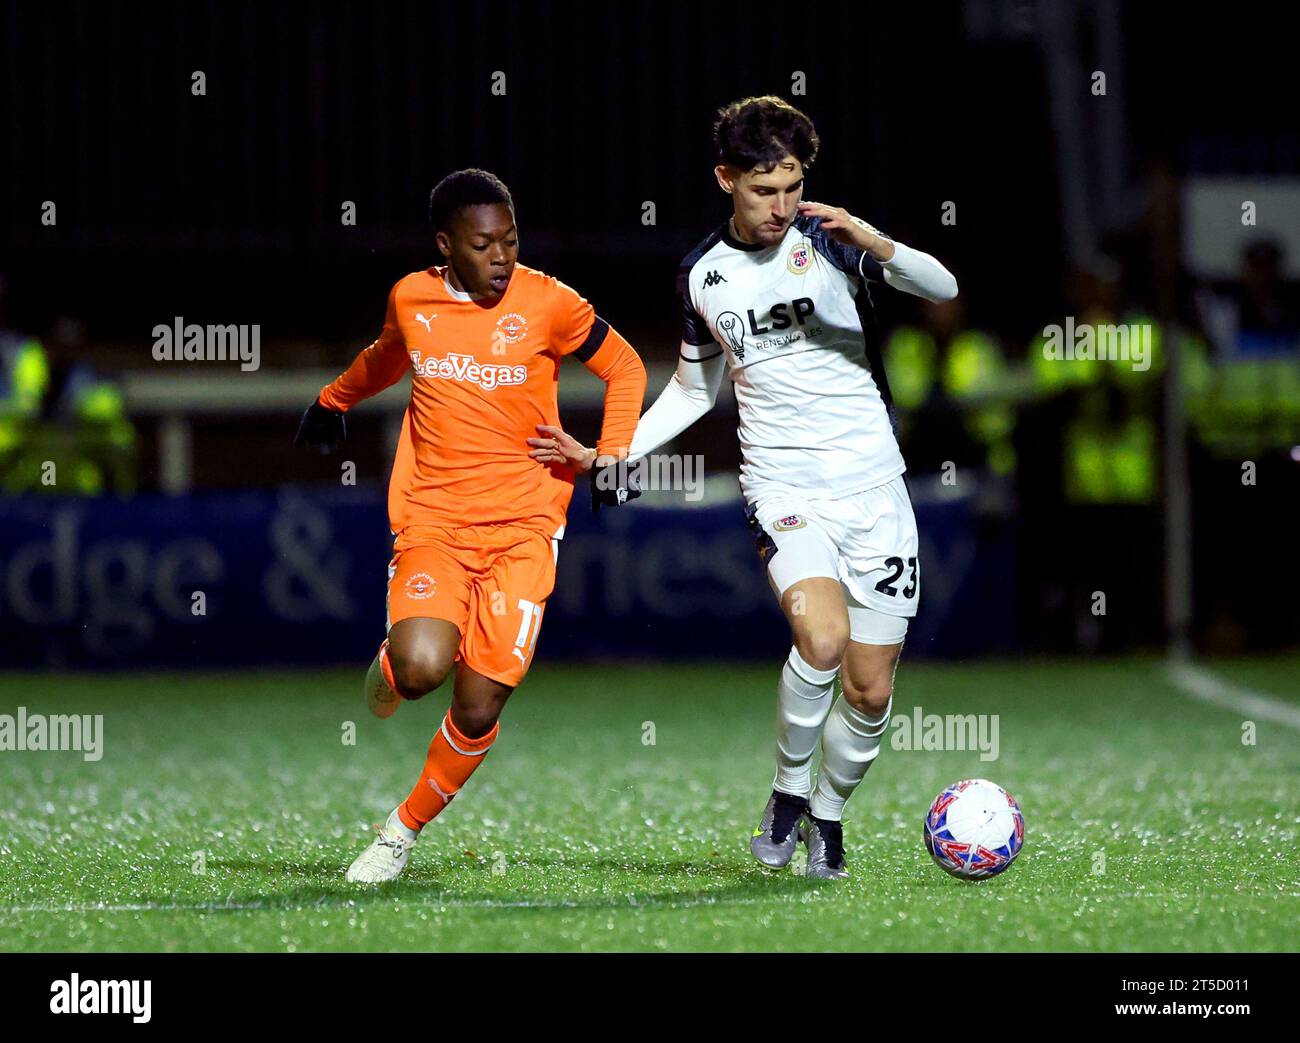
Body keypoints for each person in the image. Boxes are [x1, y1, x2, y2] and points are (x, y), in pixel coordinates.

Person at [535, 97, 957, 879]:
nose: (781, 206)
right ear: (726, 178)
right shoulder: (704, 274)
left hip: (874, 487)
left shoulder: (830, 242)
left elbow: (942, 285)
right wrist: (612, 453)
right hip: (782, 484)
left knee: (869, 691)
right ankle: (788, 792)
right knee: (821, 640)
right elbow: (696, 388)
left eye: (793, 187)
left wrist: (876, 242)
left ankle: (828, 815)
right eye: (765, 190)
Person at [295, 169, 646, 883]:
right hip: (435, 521)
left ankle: (398, 832)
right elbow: (387, 356)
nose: (502, 257)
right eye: (484, 245)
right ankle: (393, 664)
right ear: (445, 246)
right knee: (422, 668)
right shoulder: (412, 297)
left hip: (525, 528)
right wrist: (334, 400)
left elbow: (625, 365)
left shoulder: (549, 302)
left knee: (479, 707)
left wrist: (611, 456)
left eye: (510, 241)